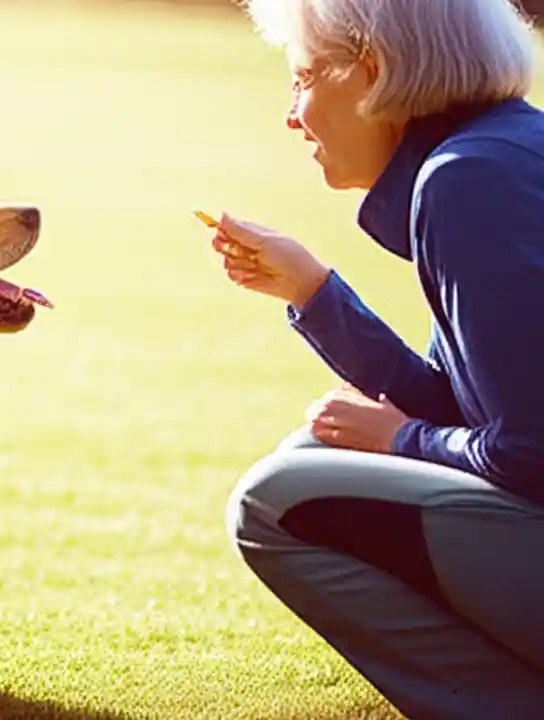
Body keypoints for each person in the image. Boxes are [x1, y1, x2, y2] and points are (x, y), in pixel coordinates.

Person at [211, 0, 544, 717]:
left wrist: (397, 439)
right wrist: (312, 290)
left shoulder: (467, 181)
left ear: (372, 73)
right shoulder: (499, 149)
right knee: (313, 460)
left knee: (275, 500)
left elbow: (530, 452)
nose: (292, 116)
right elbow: (466, 409)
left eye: (302, 79)